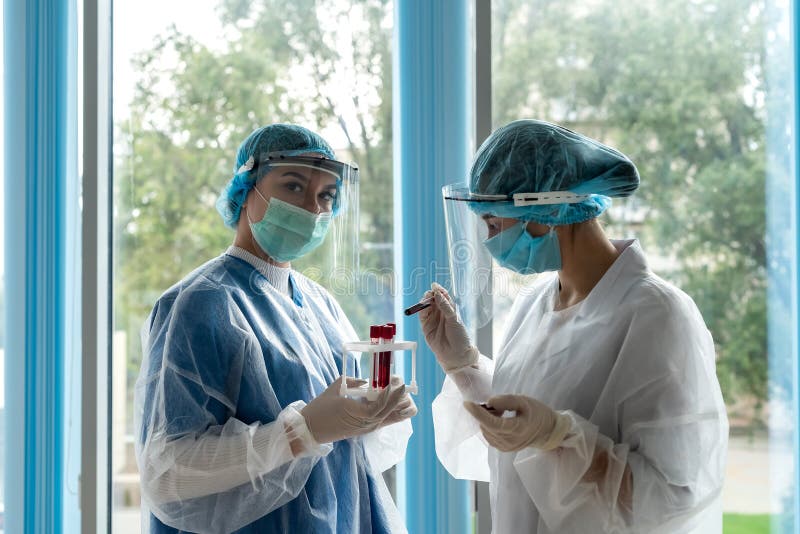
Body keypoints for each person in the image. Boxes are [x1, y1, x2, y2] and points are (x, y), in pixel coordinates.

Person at [422, 119, 728, 533]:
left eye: (494, 225)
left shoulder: (658, 315)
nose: (490, 241)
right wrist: (464, 366)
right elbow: (515, 440)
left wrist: (560, 435)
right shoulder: (535, 304)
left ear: (546, 209)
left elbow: (674, 498)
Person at [135, 124, 416, 534]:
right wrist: (299, 432)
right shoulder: (199, 304)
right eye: (294, 186)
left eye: (326, 195)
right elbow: (166, 472)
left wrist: (373, 417)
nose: (312, 209)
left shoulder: (320, 305)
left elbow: (344, 456)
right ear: (246, 189)